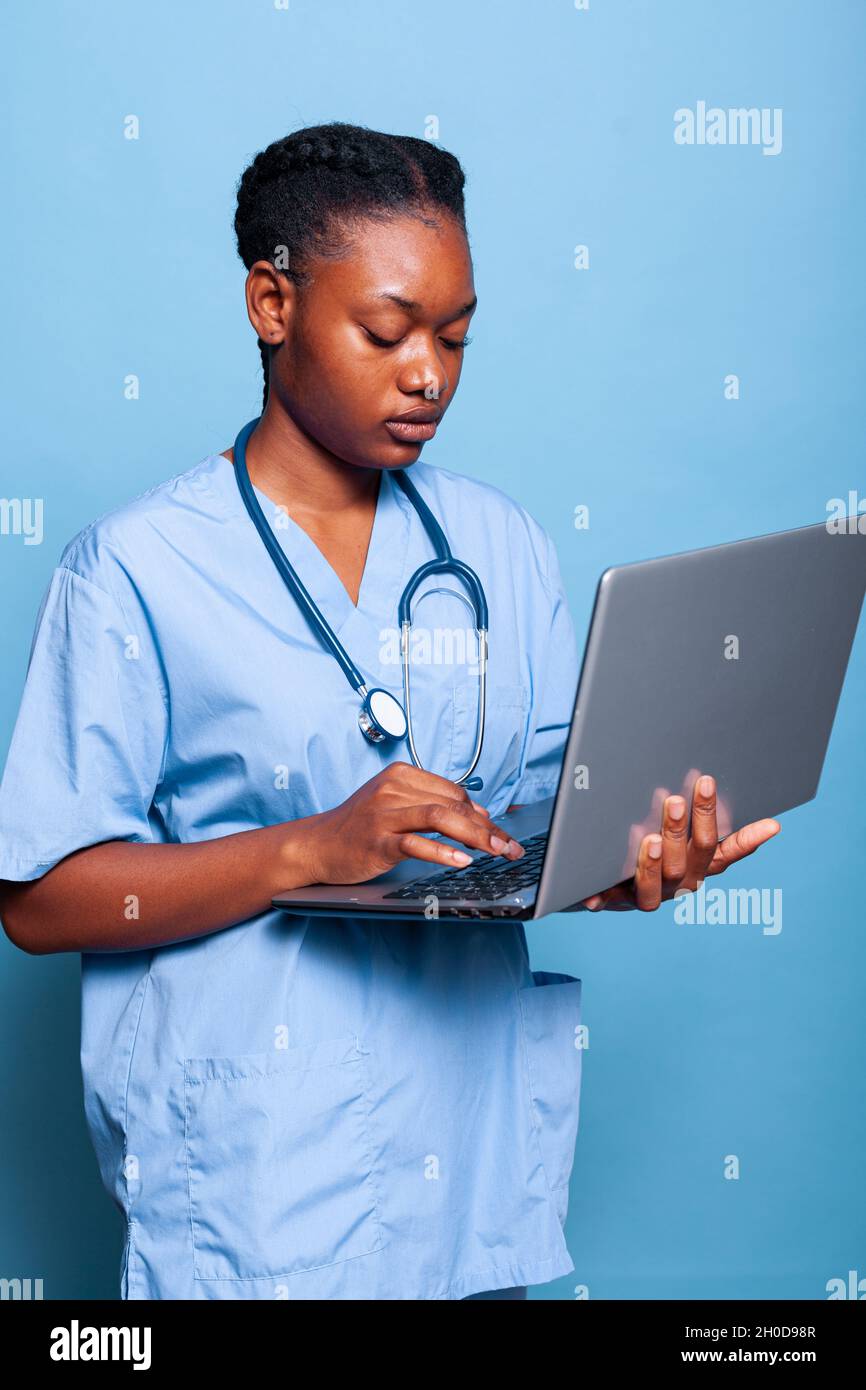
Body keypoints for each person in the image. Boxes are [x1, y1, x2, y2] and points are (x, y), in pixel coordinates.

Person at [0, 123, 780, 1301]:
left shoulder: (499, 546)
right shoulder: (133, 570)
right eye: (387, 331)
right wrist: (305, 849)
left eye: (456, 335)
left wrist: (625, 862)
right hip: (258, 1179)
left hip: (465, 1163)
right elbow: (41, 899)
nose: (429, 372)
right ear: (271, 301)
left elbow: (551, 811)